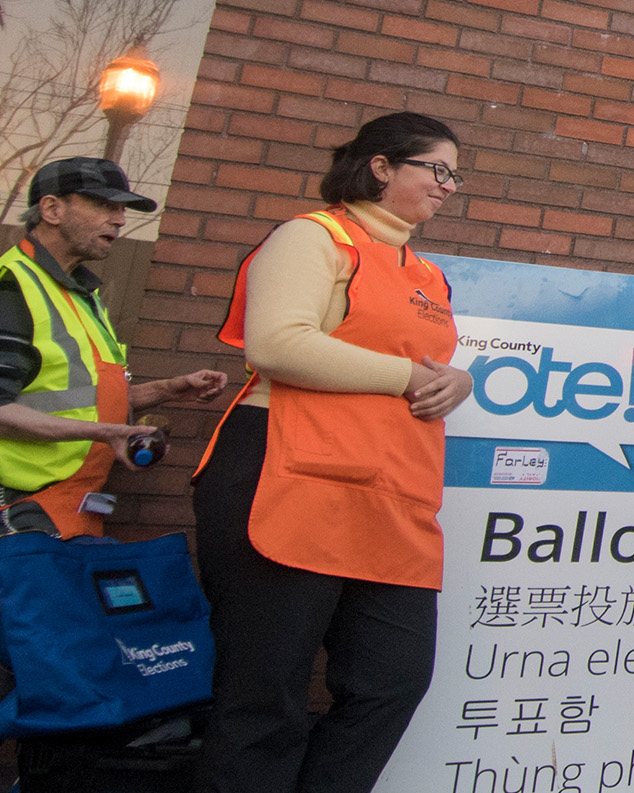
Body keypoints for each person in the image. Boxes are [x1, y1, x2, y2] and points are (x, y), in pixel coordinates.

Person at [191, 112, 475, 791]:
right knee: (264, 700)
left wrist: (457, 378)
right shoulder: (312, 237)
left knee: (393, 682)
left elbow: (423, 364)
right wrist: (407, 375)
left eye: (454, 175)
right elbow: (278, 345)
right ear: (382, 166)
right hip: (289, 478)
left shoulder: (429, 274)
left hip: (390, 497)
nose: (448, 186)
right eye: (437, 169)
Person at [1, 157, 226, 537]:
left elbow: (79, 398)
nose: (120, 220)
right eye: (105, 206)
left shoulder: (80, 294)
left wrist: (167, 390)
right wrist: (109, 434)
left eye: (122, 209)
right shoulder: (12, 286)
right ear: (52, 209)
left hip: (64, 508)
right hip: (18, 507)